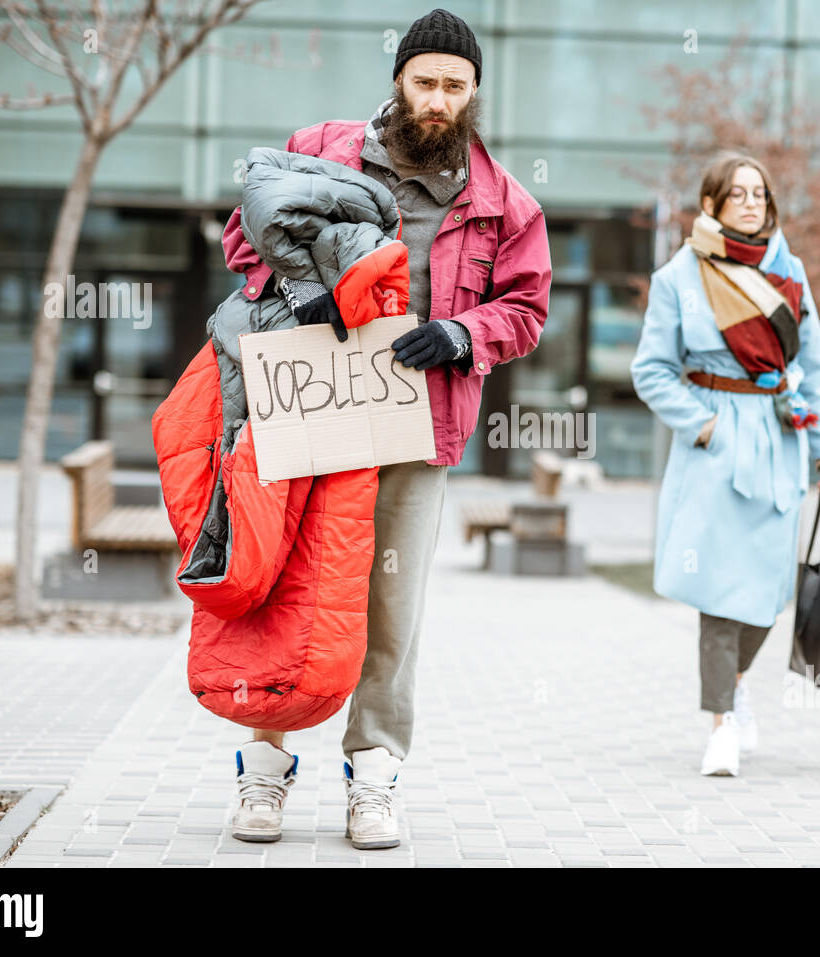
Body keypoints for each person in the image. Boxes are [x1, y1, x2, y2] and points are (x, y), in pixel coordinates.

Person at [218, 7, 551, 848]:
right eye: (425, 79)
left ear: (475, 93)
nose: (437, 98)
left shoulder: (506, 202)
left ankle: (374, 780)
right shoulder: (321, 149)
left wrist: (464, 334)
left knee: (389, 612)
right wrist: (304, 291)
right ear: (398, 80)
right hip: (306, 414)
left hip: (418, 431)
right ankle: (264, 773)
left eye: (454, 84)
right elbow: (242, 240)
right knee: (286, 592)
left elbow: (527, 308)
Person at [630, 150, 820, 777]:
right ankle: (721, 722)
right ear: (712, 206)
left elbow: (814, 370)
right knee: (720, 590)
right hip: (717, 443)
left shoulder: (790, 272)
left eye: (760, 193)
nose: (752, 203)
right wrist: (705, 426)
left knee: (770, 592)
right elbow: (652, 370)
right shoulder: (680, 277)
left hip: (782, 439)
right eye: (739, 194)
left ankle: (738, 684)